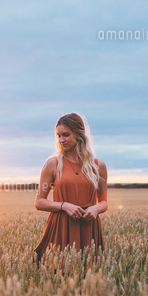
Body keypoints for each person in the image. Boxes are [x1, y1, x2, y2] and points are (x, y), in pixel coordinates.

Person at [34, 112, 108, 270]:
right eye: (58, 136)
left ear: (79, 134)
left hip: (89, 227)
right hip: (61, 226)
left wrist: (96, 208)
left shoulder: (98, 166)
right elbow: (39, 202)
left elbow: (104, 202)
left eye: (66, 135)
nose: (61, 140)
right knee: (58, 274)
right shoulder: (53, 164)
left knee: (90, 277)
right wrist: (64, 206)